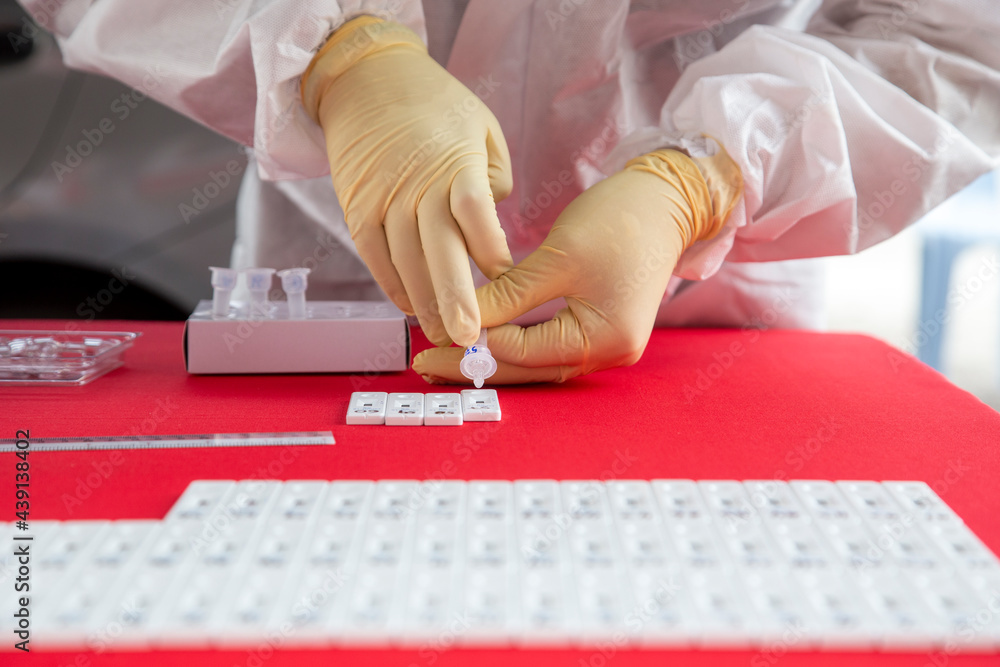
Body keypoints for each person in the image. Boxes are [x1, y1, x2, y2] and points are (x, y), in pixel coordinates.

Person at [21, 0, 1000, 384]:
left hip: (705, 306)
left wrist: (701, 178)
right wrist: (337, 54)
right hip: (343, 279)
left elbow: (952, 39)